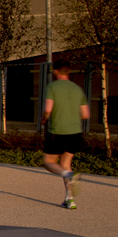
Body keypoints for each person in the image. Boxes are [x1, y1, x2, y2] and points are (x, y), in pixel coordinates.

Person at [42, 59, 89, 209]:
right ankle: (70, 200)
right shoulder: (77, 89)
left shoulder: (52, 87)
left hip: (58, 131)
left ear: (55, 71)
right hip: (75, 132)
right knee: (66, 164)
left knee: (49, 162)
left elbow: (48, 109)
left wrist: (44, 119)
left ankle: (68, 175)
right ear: (68, 71)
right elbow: (85, 114)